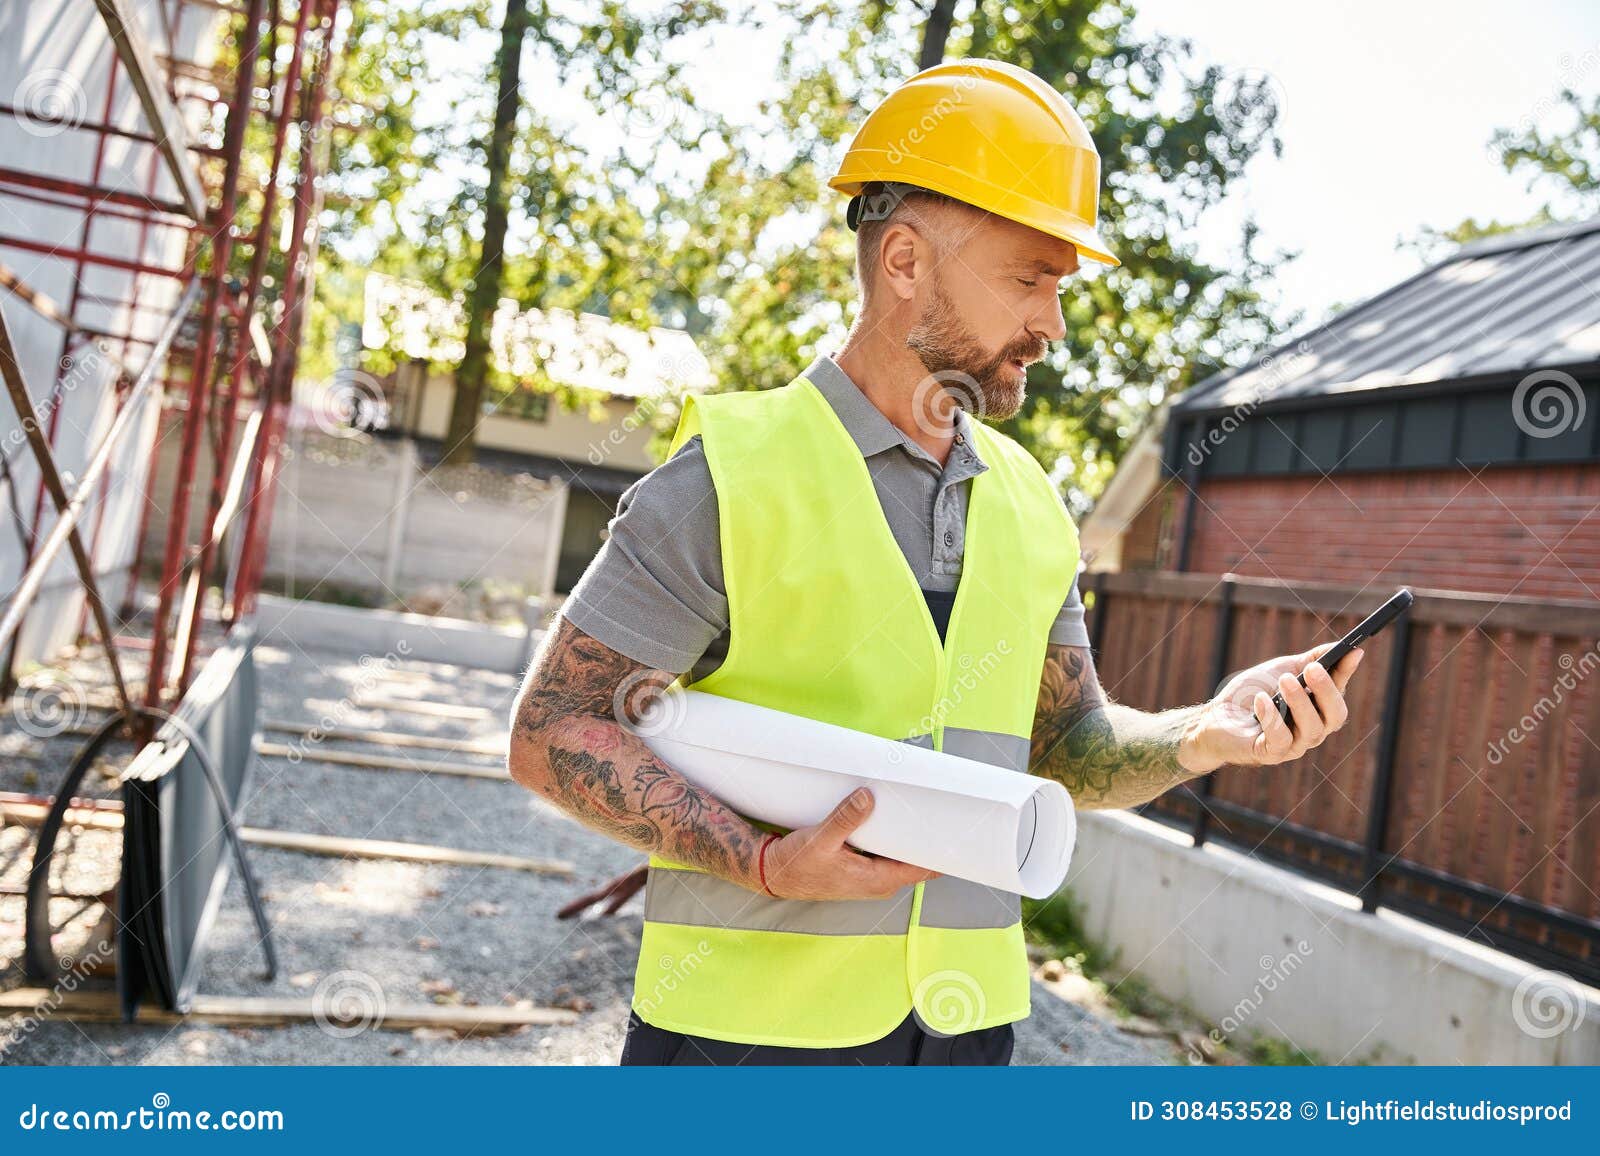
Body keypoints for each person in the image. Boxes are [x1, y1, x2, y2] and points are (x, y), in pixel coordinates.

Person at [507, 59, 1362, 1066]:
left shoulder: (1031, 503)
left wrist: (1204, 734)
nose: (1051, 324)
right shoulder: (729, 475)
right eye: (1029, 278)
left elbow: (1066, 746)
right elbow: (555, 729)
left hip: (963, 1035)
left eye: (1060, 287)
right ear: (905, 261)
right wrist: (763, 863)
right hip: (742, 1040)